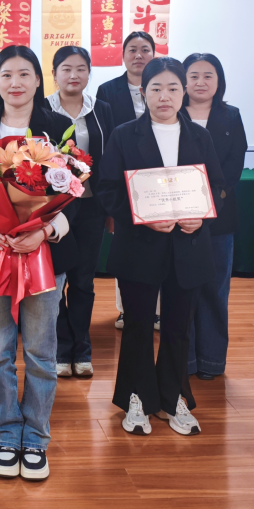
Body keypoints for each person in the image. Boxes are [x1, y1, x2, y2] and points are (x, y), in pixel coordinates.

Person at [0, 45, 78, 481]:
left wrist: (45, 231)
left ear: (38, 81)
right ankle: (8, 433)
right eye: (6, 75)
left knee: (41, 353)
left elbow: (77, 191)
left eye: (25, 74)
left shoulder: (57, 127)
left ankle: (36, 438)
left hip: (42, 256)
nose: (15, 83)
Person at [96, 57, 224, 437]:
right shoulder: (123, 135)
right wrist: (141, 216)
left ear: (183, 92)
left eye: (172, 88)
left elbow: (216, 186)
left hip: (188, 246)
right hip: (140, 247)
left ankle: (173, 398)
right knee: (137, 325)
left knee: (178, 327)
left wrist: (202, 217)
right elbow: (107, 189)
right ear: (143, 92)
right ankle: (136, 397)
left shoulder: (200, 137)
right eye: (156, 88)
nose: (164, 96)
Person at [45, 46, 113, 379]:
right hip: (53, 209)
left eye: (81, 69)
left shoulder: (102, 109)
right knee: (56, 281)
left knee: (83, 281)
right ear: (54, 74)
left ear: (89, 73)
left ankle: (82, 349)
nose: (74, 75)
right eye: (66, 69)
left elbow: (111, 159)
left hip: (90, 206)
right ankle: (61, 349)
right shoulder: (42, 108)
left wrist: (110, 208)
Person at [182, 53, 248, 381]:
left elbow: (233, 167)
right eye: (193, 75)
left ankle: (211, 361)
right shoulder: (172, 114)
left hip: (219, 217)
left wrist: (207, 205)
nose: (200, 82)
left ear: (218, 81)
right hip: (178, 217)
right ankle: (185, 361)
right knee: (182, 291)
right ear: (183, 81)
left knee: (215, 289)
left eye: (208, 75)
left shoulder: (230, 116)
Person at [96, 31, 157, 331]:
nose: (138, 55)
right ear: (122, 56)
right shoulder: (107, 90)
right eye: (132, 50)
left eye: (145, 49)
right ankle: (124, 310)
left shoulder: (163, 86)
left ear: (154, 55)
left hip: (159, 182)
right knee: (127, 250)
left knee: (159, 249)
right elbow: (106, 141)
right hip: (123, 185)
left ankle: (157, 311)